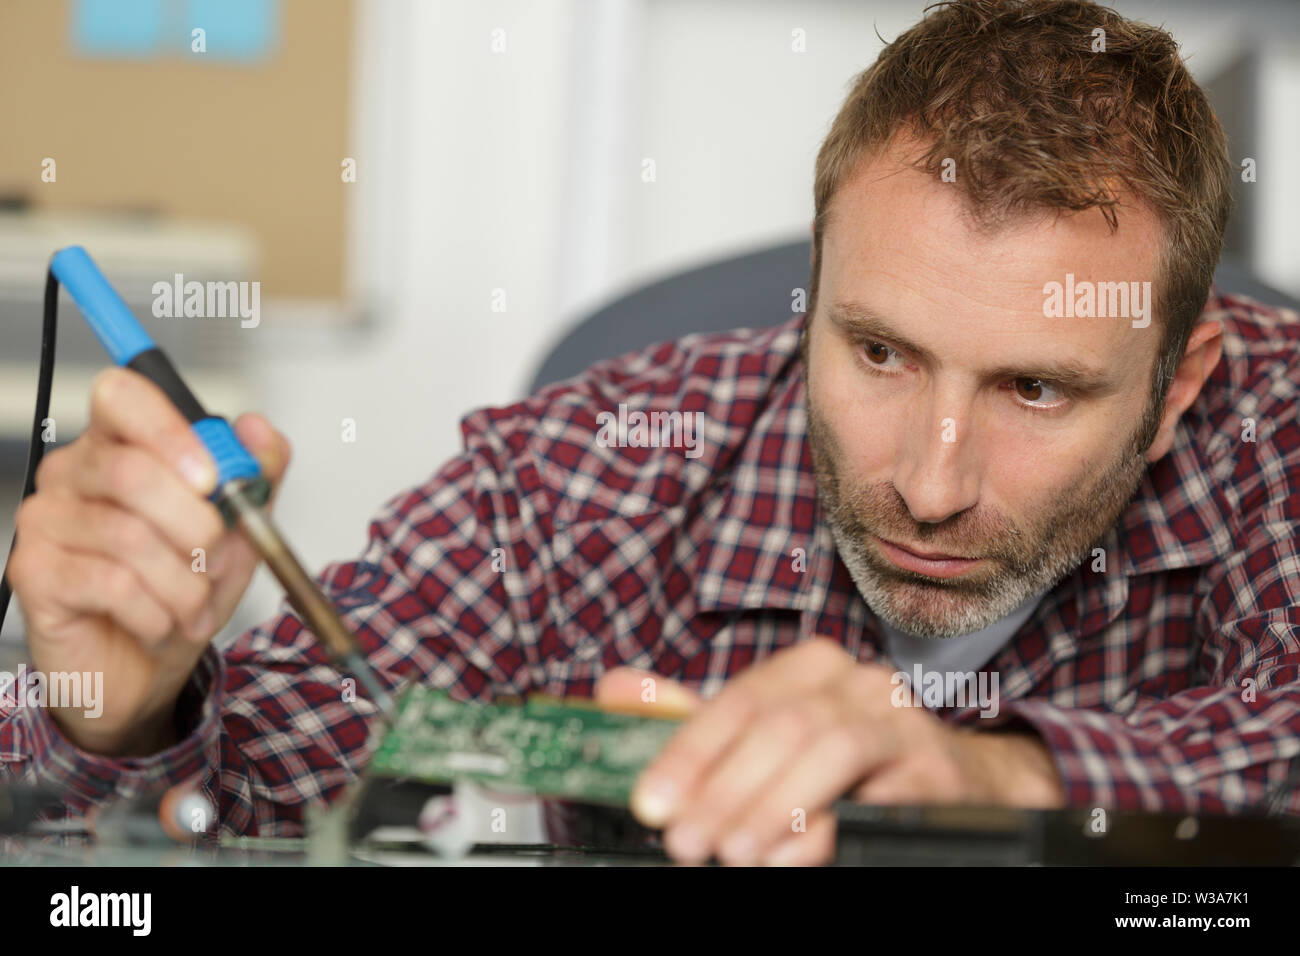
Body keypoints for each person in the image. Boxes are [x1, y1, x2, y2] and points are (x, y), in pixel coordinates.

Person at [3, 0, 1297, 866]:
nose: (929, 481)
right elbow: (277, 765)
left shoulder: (1274, 430)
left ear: (1181, 381)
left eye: (1037, 391)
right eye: (879, 351)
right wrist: (119, 717)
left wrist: (991, 778)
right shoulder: (587, 477)